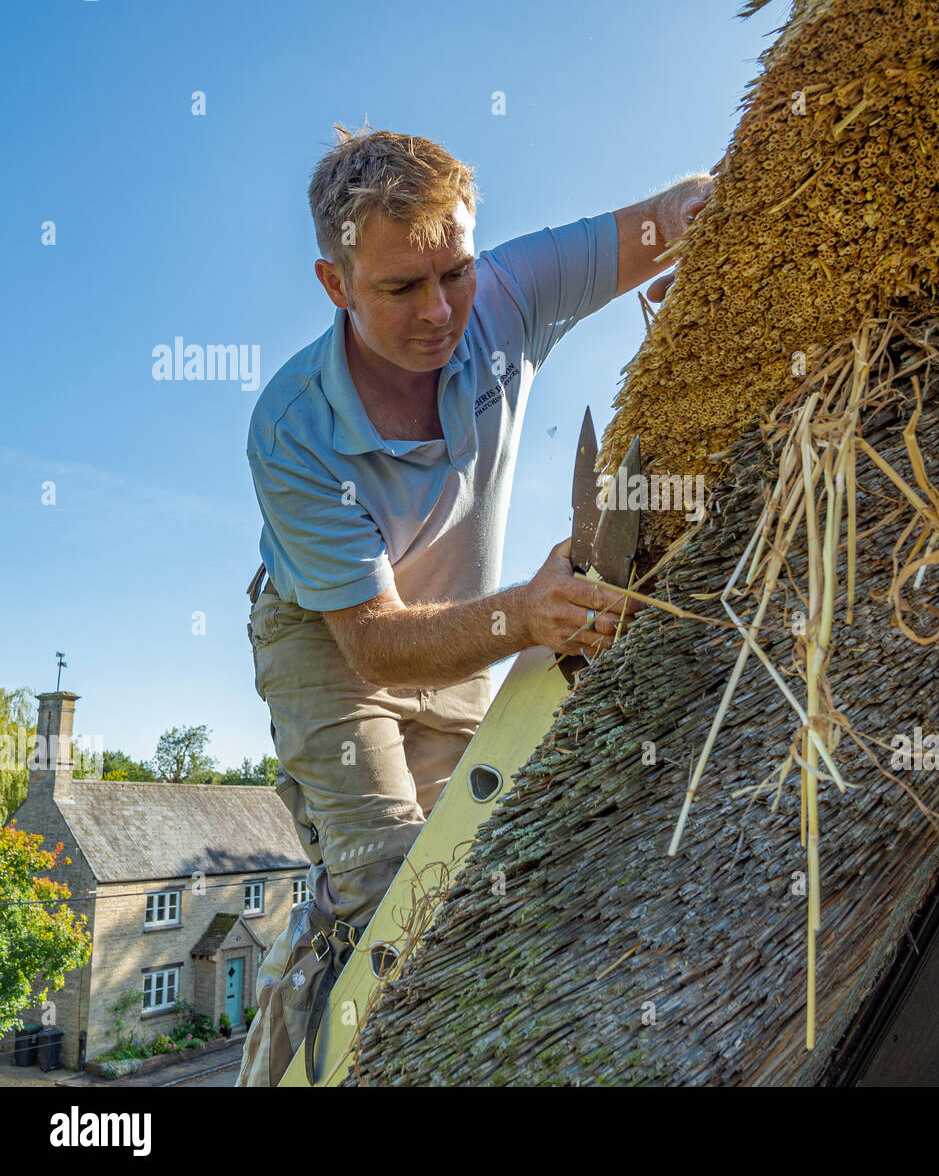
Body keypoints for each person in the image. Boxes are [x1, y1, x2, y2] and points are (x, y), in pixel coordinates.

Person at [236, 123, 712, 1086]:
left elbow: (671, 213)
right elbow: (370, 646)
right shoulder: (293, 430)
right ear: (337, 287)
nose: (440, 311)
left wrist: (716, 244)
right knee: (391, 898)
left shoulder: (508, 292)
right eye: (400, 288)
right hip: (332, 650)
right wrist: (526, 617)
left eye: (452, 273)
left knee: (469, 881)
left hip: (459, 639)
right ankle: (293, 1047)